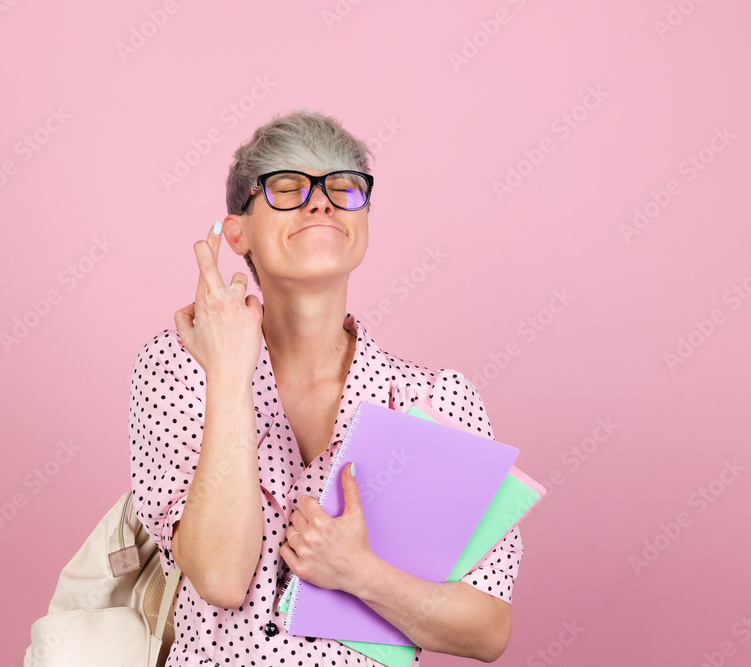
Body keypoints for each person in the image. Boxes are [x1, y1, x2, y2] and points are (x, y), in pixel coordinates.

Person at [129, 109, 523, 666]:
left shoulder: (435, 403)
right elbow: (219, 576)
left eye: (344, 189)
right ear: (236, 231)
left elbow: (487, 630)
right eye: (287, 188)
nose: (322, 203)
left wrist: (362, 575)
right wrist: (230, 374)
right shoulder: (181, 366)